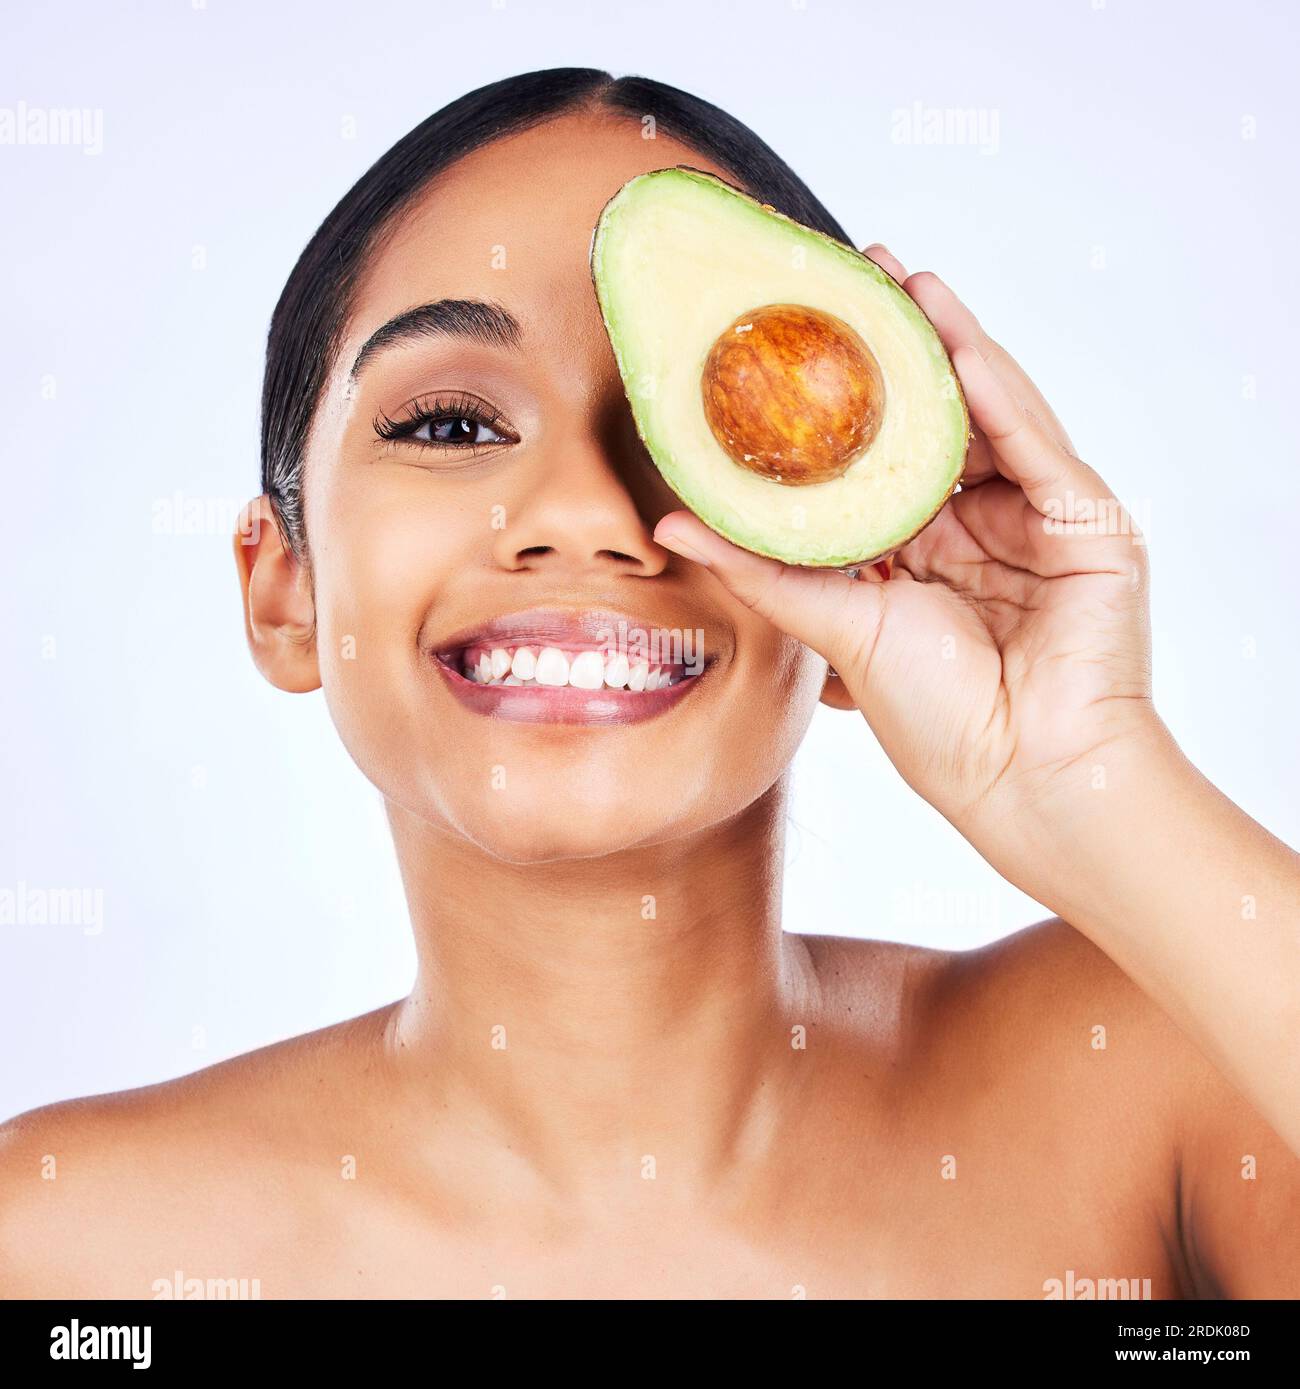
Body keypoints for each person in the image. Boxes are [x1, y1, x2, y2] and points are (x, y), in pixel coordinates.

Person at [2, 69, 1297, 1300]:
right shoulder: (70, 1247)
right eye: (451, 423)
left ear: (867, 549)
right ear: (283, 589)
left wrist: (1089, 775)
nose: (578, 512)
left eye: (699, 426)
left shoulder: (1170, 1072)